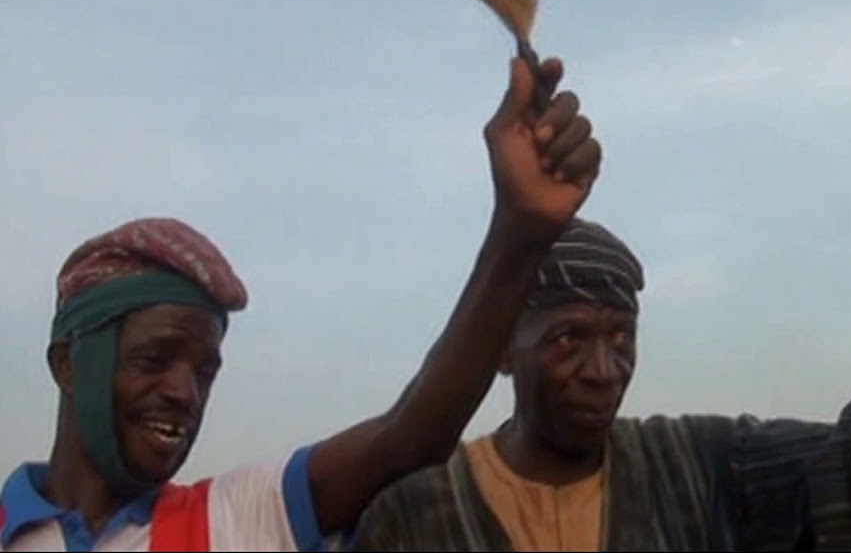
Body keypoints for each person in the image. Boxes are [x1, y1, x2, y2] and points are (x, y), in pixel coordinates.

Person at [346, 106, 851, 552]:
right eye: (568, 338)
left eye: (621, 338)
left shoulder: (701, 469)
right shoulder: (417, 514)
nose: (603, 370)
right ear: (503, 349)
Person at [0, 57, 603, 552]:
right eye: (155, 359)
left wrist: (520, 231)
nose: (184, 392)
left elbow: (409, 438)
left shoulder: (235, 519)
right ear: (67, 364)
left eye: (204, 370)